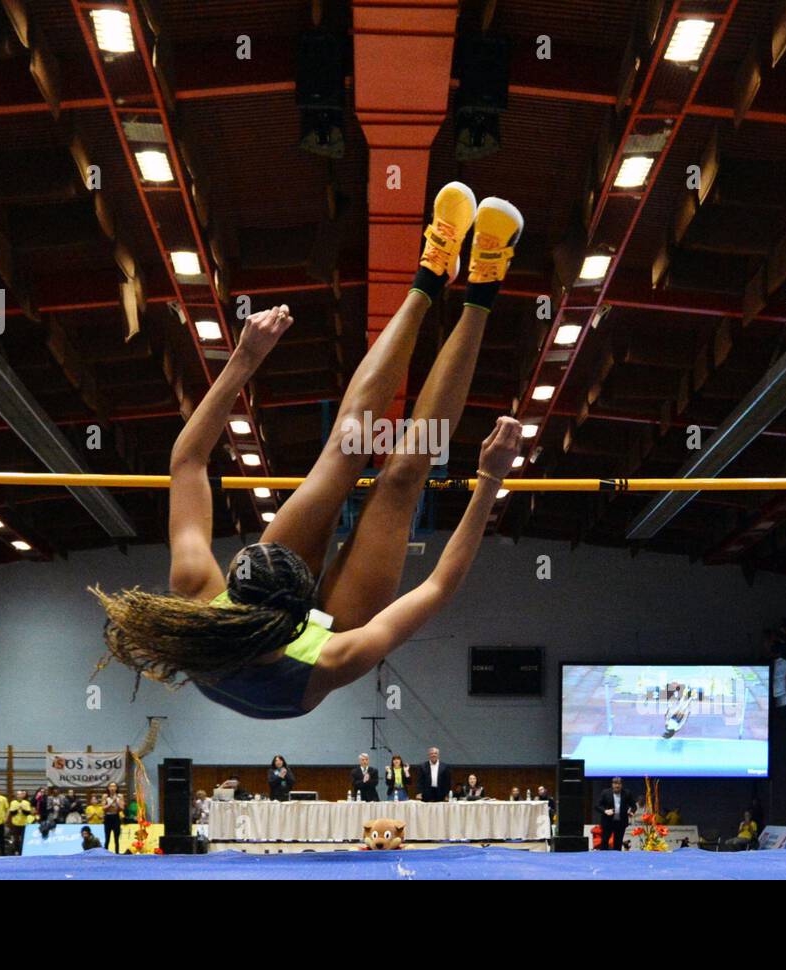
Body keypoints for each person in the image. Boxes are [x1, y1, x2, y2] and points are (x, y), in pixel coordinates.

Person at [93, 184, 526, 719]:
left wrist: (245, 360)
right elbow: (437, 586)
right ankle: (484, 287)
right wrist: (489, 479)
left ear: (231, 586)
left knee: (348, 444)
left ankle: (432, 275)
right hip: (297, 671)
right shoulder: (333, 656)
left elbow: (187, 461)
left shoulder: (196, 592)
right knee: (403, 475)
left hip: (255, 634)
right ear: (298, 612)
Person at [596, 778, 633, 851]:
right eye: (615, 784)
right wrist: (605, 811)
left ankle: (617, 861)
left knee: (618, 843)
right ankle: (602, 859)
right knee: (604, 841)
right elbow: (597, 806)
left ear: (621, 785)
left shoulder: (627, 793)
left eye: (619, 784)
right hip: (607, 822)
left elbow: (633, 806)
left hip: (621, 822)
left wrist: (631, 811)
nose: (617, 786)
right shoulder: (605, 793)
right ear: (612, 784)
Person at [102, 782, 124, 852]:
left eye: (114, 786)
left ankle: (117, 853)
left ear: (116, 788)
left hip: (116, 817)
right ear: (108, 788)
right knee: (107, 838)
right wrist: (111, 802)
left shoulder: (120, 796)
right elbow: (103, 808)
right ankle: (105, 853)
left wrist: (116, 802)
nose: (112, 788)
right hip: (108, 817)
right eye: (111, 786)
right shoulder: (105, 796)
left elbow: (122, 808)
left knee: (116, 838)